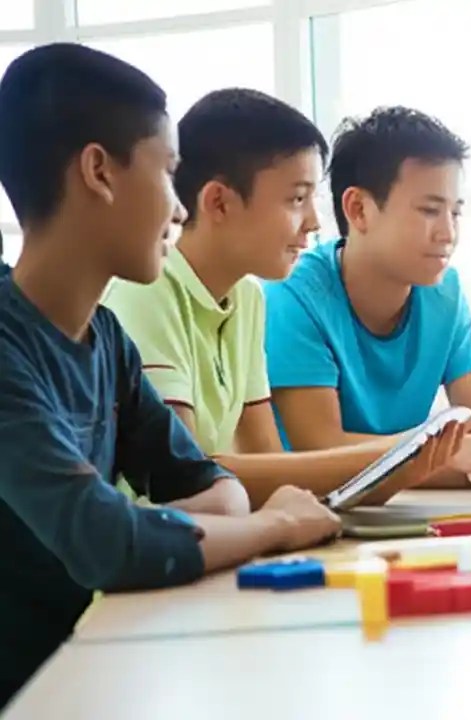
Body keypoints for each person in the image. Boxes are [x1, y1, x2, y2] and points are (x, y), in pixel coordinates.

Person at [0, 44, 341, 707]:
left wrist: (145, 531)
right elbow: (109, 546)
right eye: (169, 173)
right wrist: (276, 529)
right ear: (98, 171)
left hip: (94, 668)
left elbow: (214, 488)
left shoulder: (107, 339)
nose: (179, 209)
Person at [101, 89, 471, 508]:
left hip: (216, 536)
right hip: (156, 556)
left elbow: (268, 463)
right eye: (297, 199)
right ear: (219, 203)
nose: (315, 222)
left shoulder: (246, 297)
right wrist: (415, 452)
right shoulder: (148, 293)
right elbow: (188, 476)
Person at [263, 107, 471, 485]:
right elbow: (322, 448)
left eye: (455, 213)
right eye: (429, 210)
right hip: (316, 513)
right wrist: (459, 458)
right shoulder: (293, 294)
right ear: (358, 210)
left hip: (405, 507)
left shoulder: (444, 291)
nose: (447, 233)